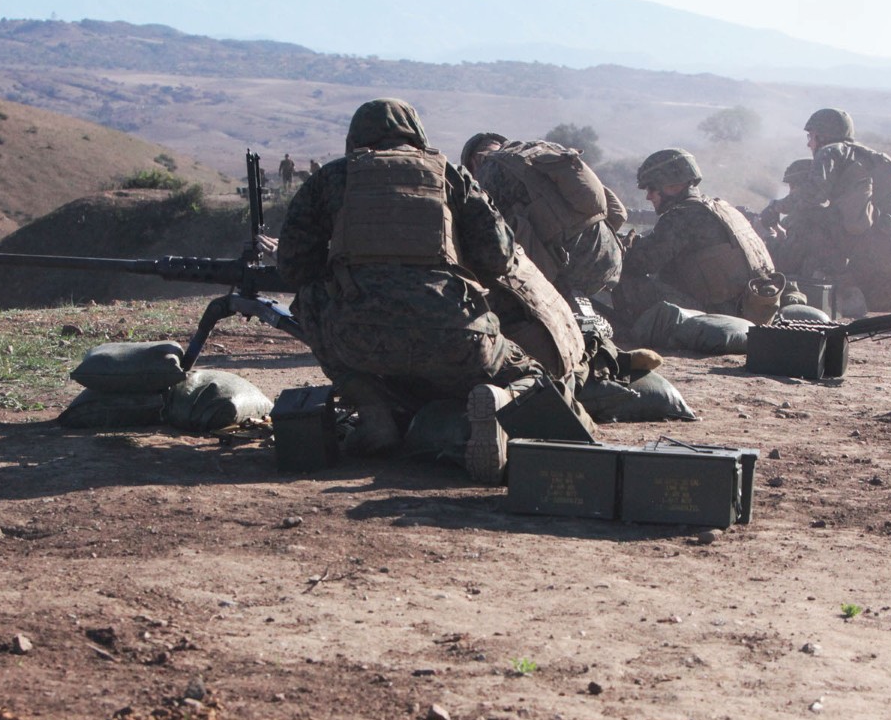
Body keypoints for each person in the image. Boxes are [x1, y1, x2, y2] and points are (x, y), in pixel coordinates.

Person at [273, 98, 549, 484]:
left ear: (356, 137)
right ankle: (502, 399)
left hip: (356, 338)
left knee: (310, 299)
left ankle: (373, 410)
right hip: (454, 336)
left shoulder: (332, 177)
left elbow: (294, 267)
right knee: (534, 373)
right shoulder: (451, 175)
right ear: (416, 134)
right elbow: (499, 258)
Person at [790, 108, 891, 313]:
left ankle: (841, 288)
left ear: (822, 136)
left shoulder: (830, 151)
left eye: (811, 136)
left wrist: (777, 208)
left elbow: (812, 195)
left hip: (881, 243)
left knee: (810, 220)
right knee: (869, 295)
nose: (809, 144)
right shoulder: (873, 157)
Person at [611, 148, 775, 324]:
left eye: (652, 188)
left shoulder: (683, 216)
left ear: (674, 185)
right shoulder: (721, 208)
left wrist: (620, 246)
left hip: (719, 314)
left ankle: (627, 332)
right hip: (748, 310)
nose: (648, 196)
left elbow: (639, 263)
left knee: (623, 277)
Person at [460, 132, 626, 307]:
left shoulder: (486, 176)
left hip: (569, 277)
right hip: (611, 259)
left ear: (474, 161)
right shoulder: (543, 148)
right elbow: (617, 211)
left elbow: (492, 244)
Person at [759, 159, 847, 283]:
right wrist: (779, 232)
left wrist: (768, 236)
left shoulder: (809, 220)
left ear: (804, 188)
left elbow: (783, 264)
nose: (790, 192)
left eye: (793, 186)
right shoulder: (823, 214)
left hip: (806, 286)